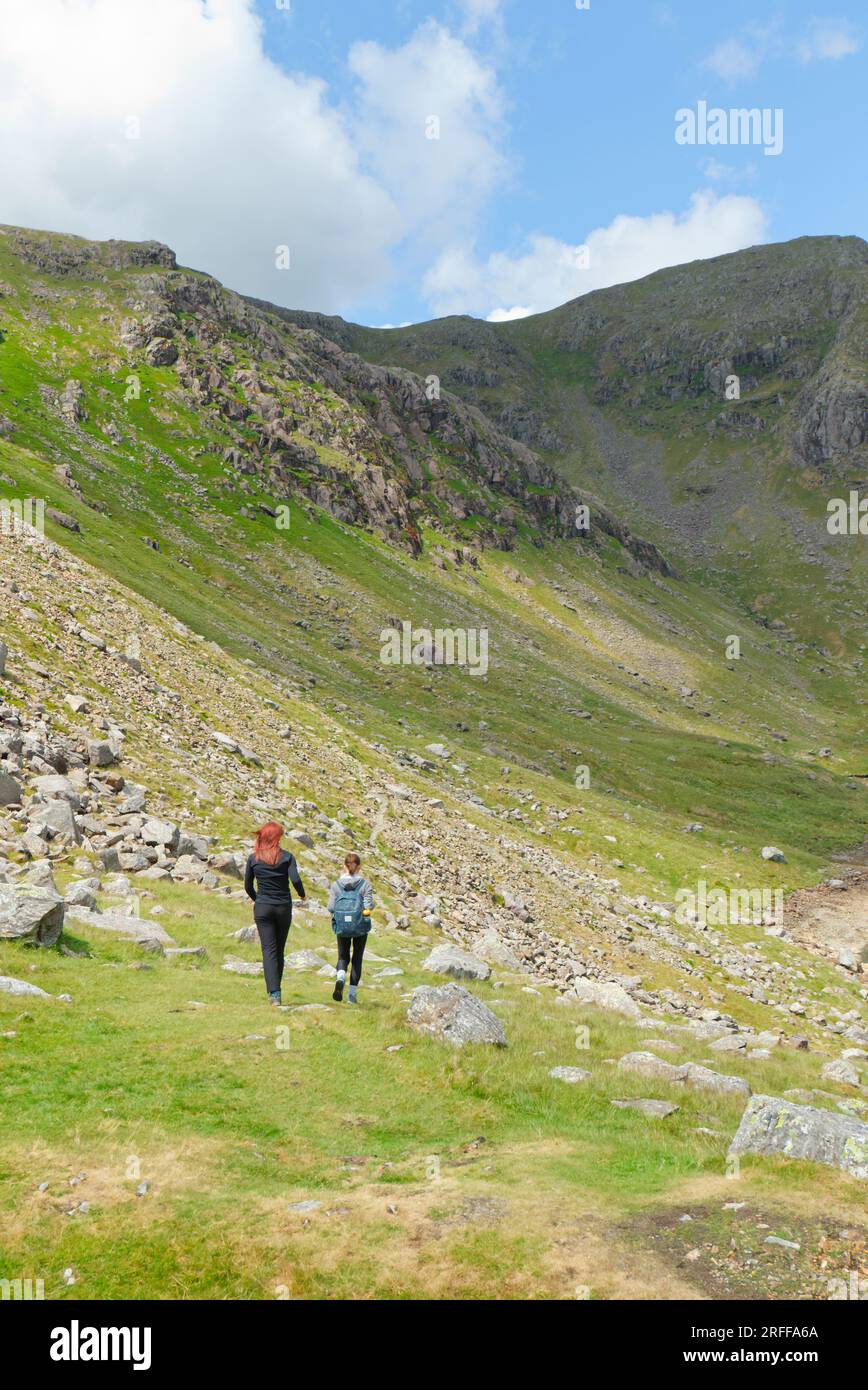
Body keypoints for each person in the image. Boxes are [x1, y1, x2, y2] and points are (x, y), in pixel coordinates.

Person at [244, 822, 306, 1005]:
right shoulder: (287, 857)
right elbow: (295, 879)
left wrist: (259, 900)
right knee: (279, 950)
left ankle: (274, 994)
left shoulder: (253, 858)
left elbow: (247, 886)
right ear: (277, 837)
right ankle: (276, 991)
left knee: (268, 950)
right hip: (283, 908)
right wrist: (302, 894)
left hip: (263, 907)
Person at [327, 852, 374, 1004]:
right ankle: (352, 996)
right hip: (360, 926)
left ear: (344, 866)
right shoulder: (365, 884)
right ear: (359, 866)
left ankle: (340, 977)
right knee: (357, 959)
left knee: (342, 956)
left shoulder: (336, 885)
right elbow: (367, 906)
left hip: (342, 926)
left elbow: (331, 908)